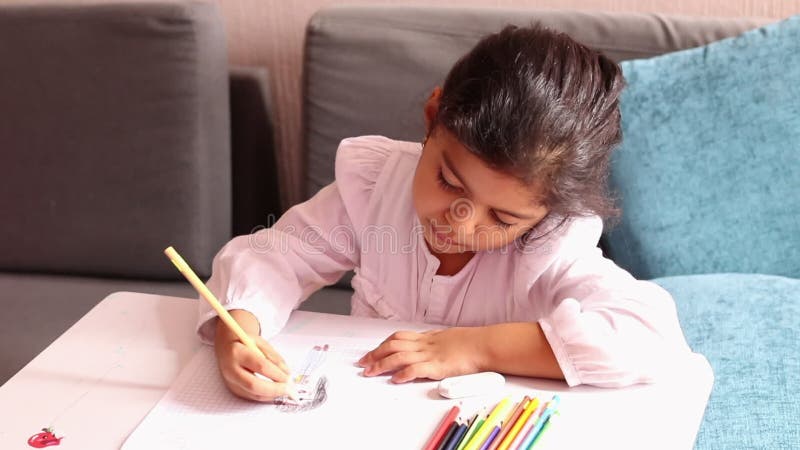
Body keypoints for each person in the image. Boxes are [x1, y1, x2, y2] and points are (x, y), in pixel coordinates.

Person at [197, 24, 691, 402]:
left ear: (547, 213)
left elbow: (651, 338)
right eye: (449, 182)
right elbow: (274, 256)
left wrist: (478, 348)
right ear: (434, 119)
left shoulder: (551, 246)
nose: (459, 221)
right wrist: (238, 328)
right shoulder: (374, 191)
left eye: (501, 219)